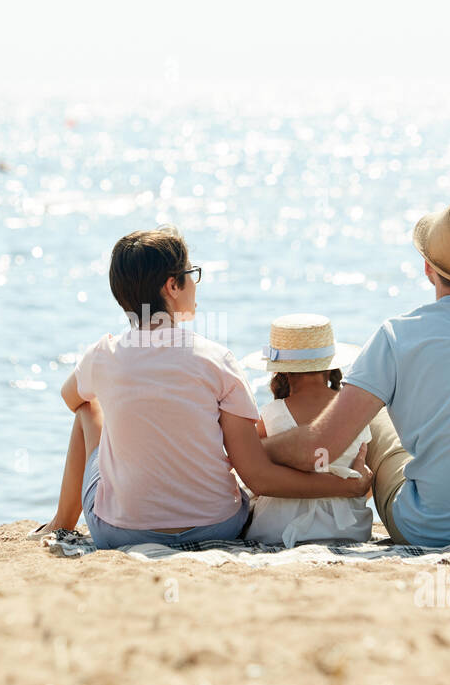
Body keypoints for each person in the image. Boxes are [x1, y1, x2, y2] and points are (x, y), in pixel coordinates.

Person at [262, 192, 450, 547]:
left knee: (374, 422)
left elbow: (319, 450)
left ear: (428, 268)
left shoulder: (398, 335)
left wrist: (256, 448)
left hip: (433, 530)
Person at [35, 227, 372, 549]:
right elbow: (257, 477)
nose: (195, 283)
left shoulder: (102, 355)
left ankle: (60, 524)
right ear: (172, 286)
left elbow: (71, 399)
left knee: (87, 410)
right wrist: (343, 485)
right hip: (218, 525)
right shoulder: (216, 359)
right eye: (191, 273)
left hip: (122, 532)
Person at [240, 314, 373, 547]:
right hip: (348, 528)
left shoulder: (273, 413)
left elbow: (253, 470)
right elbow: (364, 475)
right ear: (331, 366)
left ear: (281, 371)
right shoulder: (353, 410)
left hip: (278, 528)